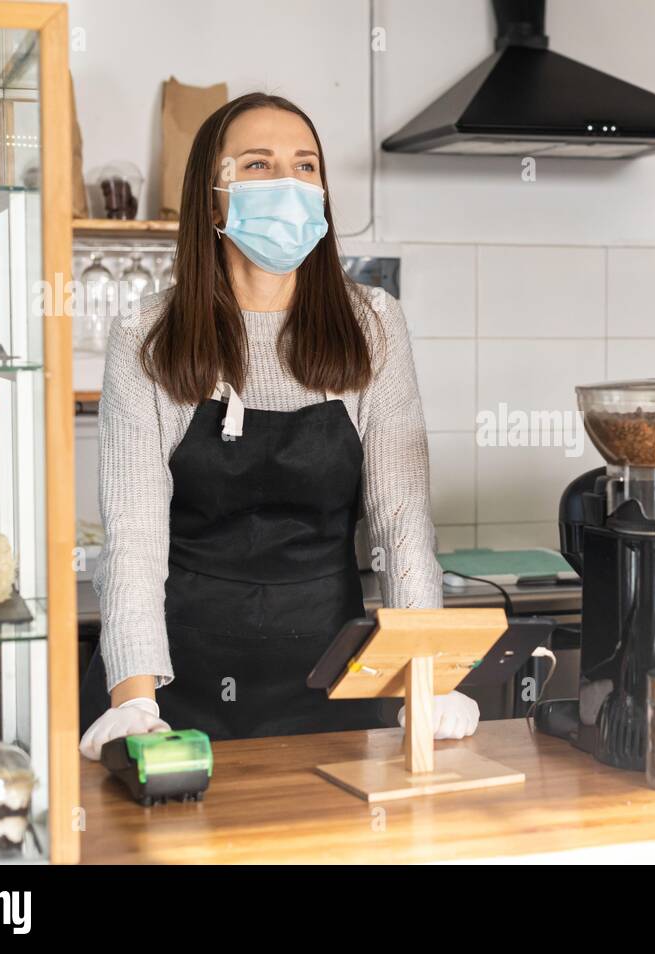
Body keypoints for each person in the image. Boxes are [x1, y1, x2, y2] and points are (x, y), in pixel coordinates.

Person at [78, 92, 477, 759]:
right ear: (213, 200)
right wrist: (135, 701)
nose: (288, 184)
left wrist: (426, 671)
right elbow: (134, 539)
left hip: (331, 677)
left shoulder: (374, 326)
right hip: (175, 681)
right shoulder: (145, 337)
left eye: (306, 166)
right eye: (259, 166)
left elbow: (403, 520)